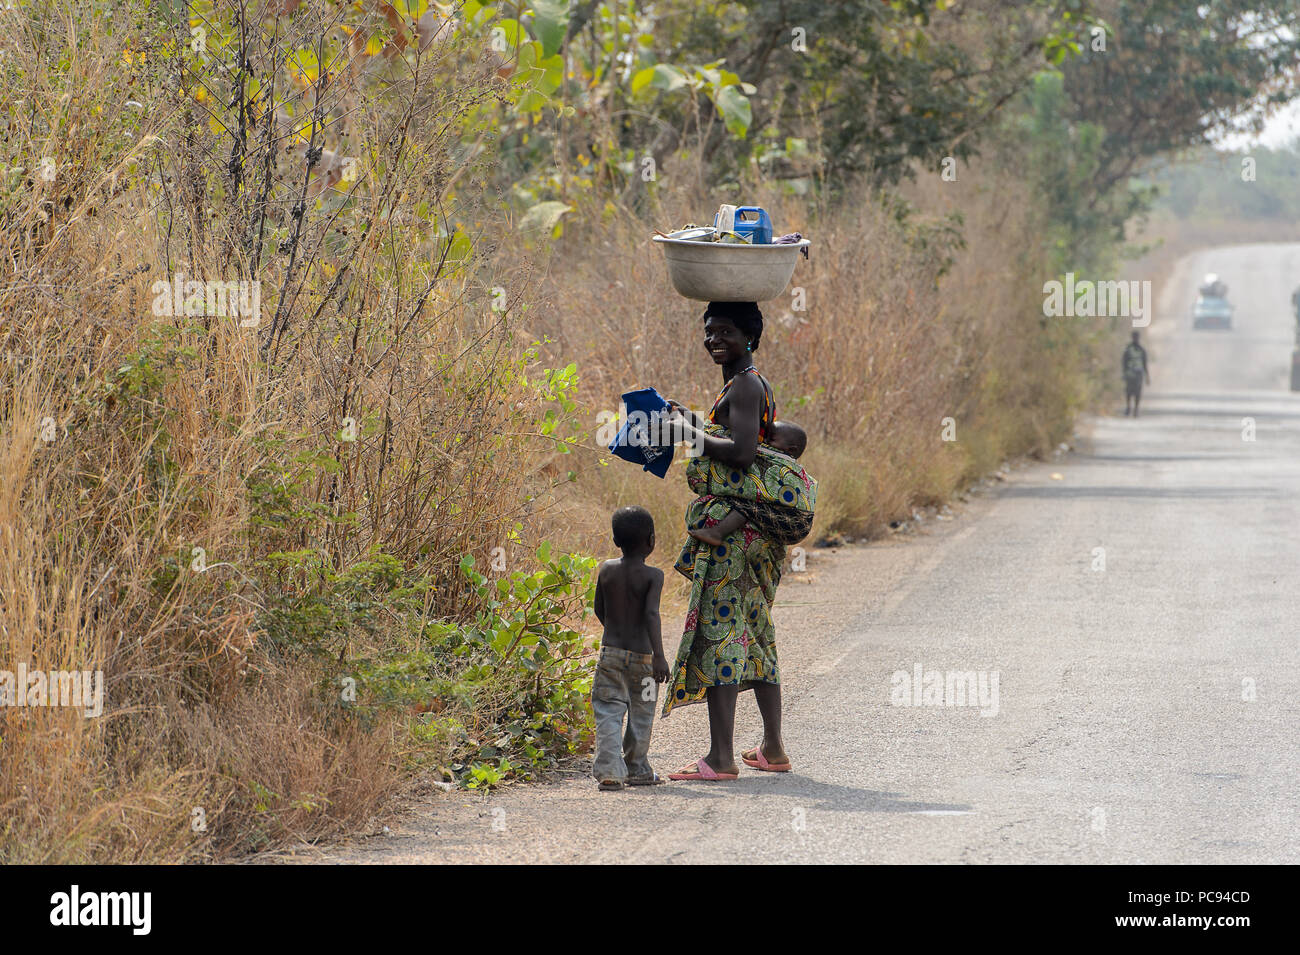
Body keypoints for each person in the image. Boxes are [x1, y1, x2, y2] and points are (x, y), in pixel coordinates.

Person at [659, 301, 815, 781]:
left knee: (724, 631)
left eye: (725, 331)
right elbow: (738, 438)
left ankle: (721, 758)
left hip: (738, 537)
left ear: (750, 337)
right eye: (709, 331)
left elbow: (744, 454)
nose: (714, 339)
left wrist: (688, 433)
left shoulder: (746, 384)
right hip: (755, 533)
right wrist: (694, 423)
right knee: (756, 631)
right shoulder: (746, 384)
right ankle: (772, 747)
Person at [591, 506, 670, 791]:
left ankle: (611, 771)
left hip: (610, 657)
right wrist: (659, 656)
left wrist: (614, 631)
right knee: (642, 712)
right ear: (651, 540)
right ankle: (637, 768)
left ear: (615, 541)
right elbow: (651, 615)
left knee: (608, 711)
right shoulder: (654, 576)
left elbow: (599, 608)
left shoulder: (607, 570)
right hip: (646, 663)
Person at [686, 420, 809, 547]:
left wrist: (690, 428)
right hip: (796, 522)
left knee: (746, 507)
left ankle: (717, 533)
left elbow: (728, 447)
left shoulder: (778, 463)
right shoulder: (788, 465)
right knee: (754, 505)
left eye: (770, 439)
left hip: (794, 520)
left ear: (790, 450)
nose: (764, 441)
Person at [1122, 330, 1150, 417]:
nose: (1135, 339)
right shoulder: (1128, 349)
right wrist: (1124, 373)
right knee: (1128, 392)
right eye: (1134, 337)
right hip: (1130, 374)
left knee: (1138, 392)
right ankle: (1128, 407)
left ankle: (1136, 409)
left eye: (1136, 337)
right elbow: (1124, 361)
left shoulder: (1142, 350)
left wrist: (1147, 376)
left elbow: (1145, 363)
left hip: (1138, 374)